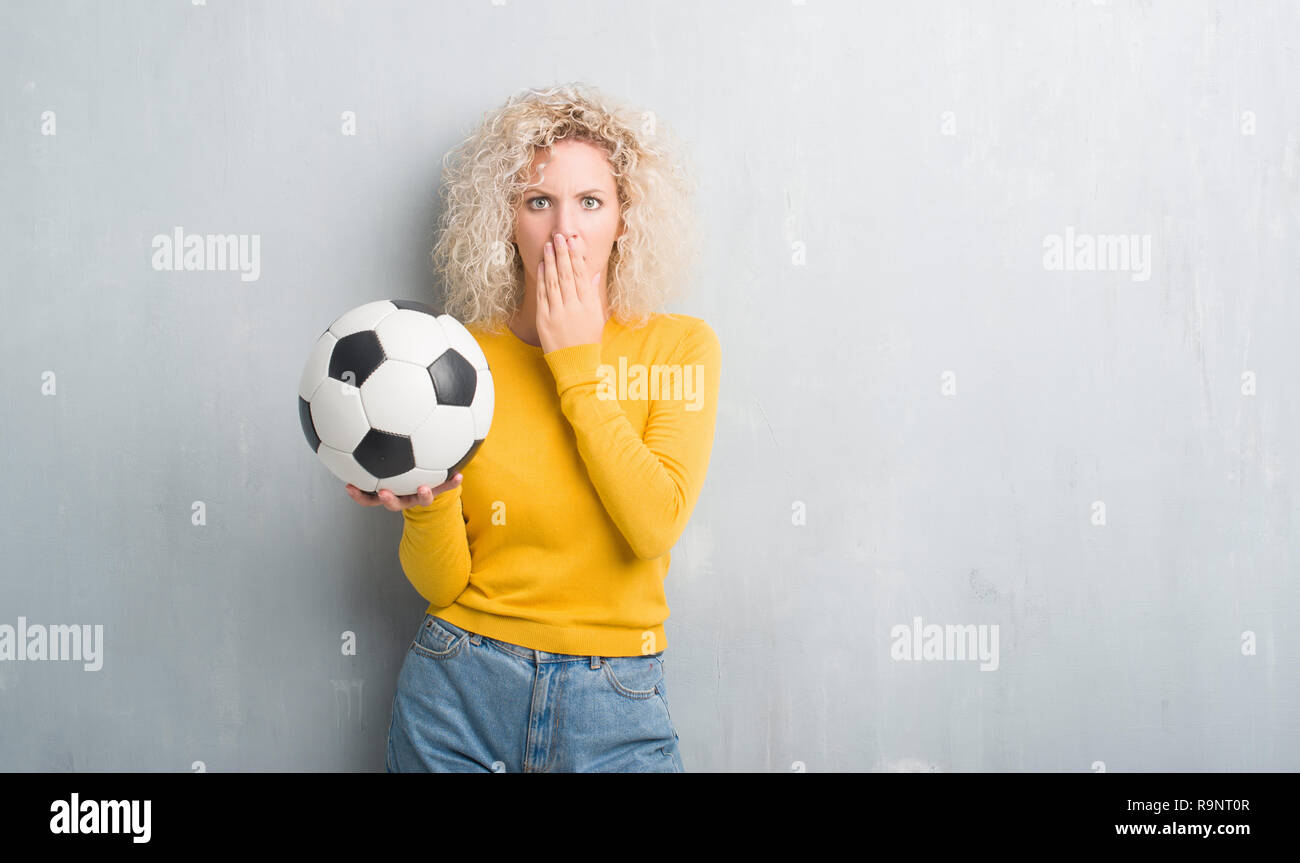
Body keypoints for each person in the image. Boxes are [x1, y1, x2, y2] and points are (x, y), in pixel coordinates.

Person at [345, 82, 721, 772]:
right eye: (538, 201)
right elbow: (443, 586)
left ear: (624, 218)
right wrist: (425, 506)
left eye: (590, 202)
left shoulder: (681, 347)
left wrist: (574, 363)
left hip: (616, 703)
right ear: (505, 219)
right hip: (459, 688)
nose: (565, 230)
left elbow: (653, 524)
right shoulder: (453, 357)